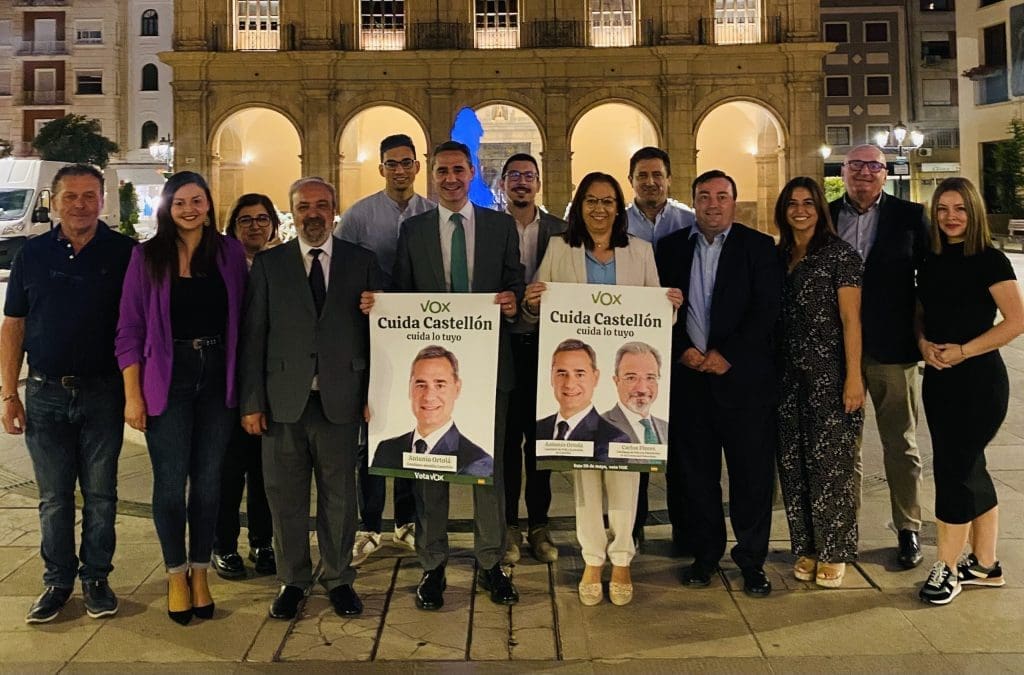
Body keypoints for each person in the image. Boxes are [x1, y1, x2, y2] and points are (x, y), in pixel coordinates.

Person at [524, 171, 682, 607]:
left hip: (626, 381)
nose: (599, 209)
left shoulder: (641, 252)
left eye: (608, 201)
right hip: (583, 386)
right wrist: (532, 301)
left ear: (619, 206)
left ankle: (623, 556)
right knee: (586, 479)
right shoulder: (559, 249)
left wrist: (669, 306)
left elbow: (657, 320)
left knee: (625, 476)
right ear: (580, 206)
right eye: (591, 201)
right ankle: (594, 557)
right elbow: (538, 310)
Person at [385, 139, 523, 611]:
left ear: (472, 173)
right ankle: (432, 565)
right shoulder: (414, 231)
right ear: (432, 174)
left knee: (489, 470)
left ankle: (490, 563)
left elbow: (515, 282)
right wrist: (378, 309)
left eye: (459, 170)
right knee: (431, 470)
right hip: (433, 371)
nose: (450, 179)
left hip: (489, 369)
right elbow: (401, 294)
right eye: (442, 171)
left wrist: (512, 299)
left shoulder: (501, 227)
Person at [239, 177, 380, 621]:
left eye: (322, 205)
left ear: (335, 210)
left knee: (341, 497)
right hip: (283, 402)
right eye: (304, 206)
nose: (313, 213)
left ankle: (339, 578)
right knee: (286, 498)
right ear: (292, 212)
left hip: (342, 400)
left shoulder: (363, 262)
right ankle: (293, 580)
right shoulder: (269, 265)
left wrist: (375, 394)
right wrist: (251, 402)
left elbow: (380, 335)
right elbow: (253, 339)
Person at [1, 164, 135, 624]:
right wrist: (7, 394)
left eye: (89, 195)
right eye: (70, 196)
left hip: (103, 392)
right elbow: (13, 324)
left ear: (102, 200)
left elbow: (138, 327)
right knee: (54, 496)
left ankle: (96, 577)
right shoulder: (31, 255)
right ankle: (57, 582)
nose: (80, 204)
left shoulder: (125, 253)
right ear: (54, 202)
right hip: (44, 393)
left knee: (101, 494)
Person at [116, 171, 248, 625]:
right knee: (170, 482)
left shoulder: (228, 253)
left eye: (197, 200)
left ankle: (200, 570)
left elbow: (249, 315)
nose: (189, 209)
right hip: (167, 377)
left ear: (209, 204)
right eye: (180, 203)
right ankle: (175, 573)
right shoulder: (147, 256)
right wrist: (133, 396)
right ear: (167, 210)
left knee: (209, 482)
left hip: (216, 377)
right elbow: (129, 331)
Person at [655, 169, 783, 597]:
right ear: (693, 201)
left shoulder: (759, 247)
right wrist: (682, 350)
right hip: (690, 382)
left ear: (734, 201)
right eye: (704, 196)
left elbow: (767, 311)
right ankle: (705, 555)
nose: (713, 204)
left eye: (722, 196)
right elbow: (655, 309)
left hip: (743, 381)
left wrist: (728, 355)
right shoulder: (669, 248)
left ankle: (751, 561)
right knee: (697, 476)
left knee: (750, 476)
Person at [915, 177, 1024, 605]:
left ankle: (947, 567)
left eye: (959, 209)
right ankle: (985, 563)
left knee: (953, 472)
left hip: (979, 383)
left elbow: (1015, 322)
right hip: (939, 379)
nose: (950, 217)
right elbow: (921, 312)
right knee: (968, 467)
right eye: (942, 209)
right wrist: (924, 344)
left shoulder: (991, 260)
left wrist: (964, 351)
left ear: (973, 212)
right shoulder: (932, 258)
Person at [829, 145, 930, 570]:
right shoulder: (826, 214)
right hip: (836, 349)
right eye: (856, 165)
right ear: (844, 171)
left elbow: (930, 279)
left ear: (885, 174)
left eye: (874, 166)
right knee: (842, 445)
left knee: (901, 443)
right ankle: (843, 528)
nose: (865, 173)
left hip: (894, 348)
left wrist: (926, 335)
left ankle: (908, 527)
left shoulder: (911, 217)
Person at [336, 134, 432, 567]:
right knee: (370, 435)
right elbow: (339, 270)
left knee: (413, 427)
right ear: (381, 169)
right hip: (370, 340)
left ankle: (407, 521)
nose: (399, 170)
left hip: (417, 340)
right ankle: (369, 525)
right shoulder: (358, 216)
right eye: (391, 163)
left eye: (406, 162)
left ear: (417, 166)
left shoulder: (432, 213)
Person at [775, 177, 865, 588]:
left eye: (809, 203)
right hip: (786, 377)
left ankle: (835, 550)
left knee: (833, 466)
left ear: (820, 210)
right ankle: (807, 546)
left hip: (829, 374)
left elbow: (851, 321)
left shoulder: (840, 255)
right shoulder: (778, 256)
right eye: (792, 203)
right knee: (794, 465)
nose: (800, 210)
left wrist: (853, 377)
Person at [498, 152, 566, 565]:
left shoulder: (560, 230)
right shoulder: (489, 228)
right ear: (502, 183)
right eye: (514, 176)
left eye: (528, 176)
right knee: (506, 443)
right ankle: (507, 525)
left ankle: (539, 525)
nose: (521, 182)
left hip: (547, 348)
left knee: (542, 444)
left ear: (538, 183)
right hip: (505, 347)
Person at [212, 194, 280, 580]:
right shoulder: (222, 266)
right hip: (228, 384)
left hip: (270, 385)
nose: (255, 225)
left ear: (272, 224)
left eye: (261, 218)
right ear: (233, 227)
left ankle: (262, 542)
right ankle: (223, 544)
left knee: (264, 471)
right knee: (228, 471)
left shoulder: (284, 263)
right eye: (245, 220)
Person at [372, 345, 493, 477]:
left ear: (457, 389)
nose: (429, 396)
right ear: (410, 388)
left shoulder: (477, 462)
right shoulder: (386, 450)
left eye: (440, 385)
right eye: (421, 385)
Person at [534, 339, 631, 464]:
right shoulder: (538, 428)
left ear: (595, 378)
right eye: (562, 373)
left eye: (579, 374)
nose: (569, 384)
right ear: (551, 377)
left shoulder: (614, 439)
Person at [603, 342, 669, 459]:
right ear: (616, 381)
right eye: (631, 378)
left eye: (650, 377)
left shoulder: (666, 427)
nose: (642, 389)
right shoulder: (598, 426)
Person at [625, 146, 696, 245]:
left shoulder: (689, 220)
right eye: (642, 175)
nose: (650, 182)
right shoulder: (619, 223)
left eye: (657, 175)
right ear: (630, 180)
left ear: (669, 179)